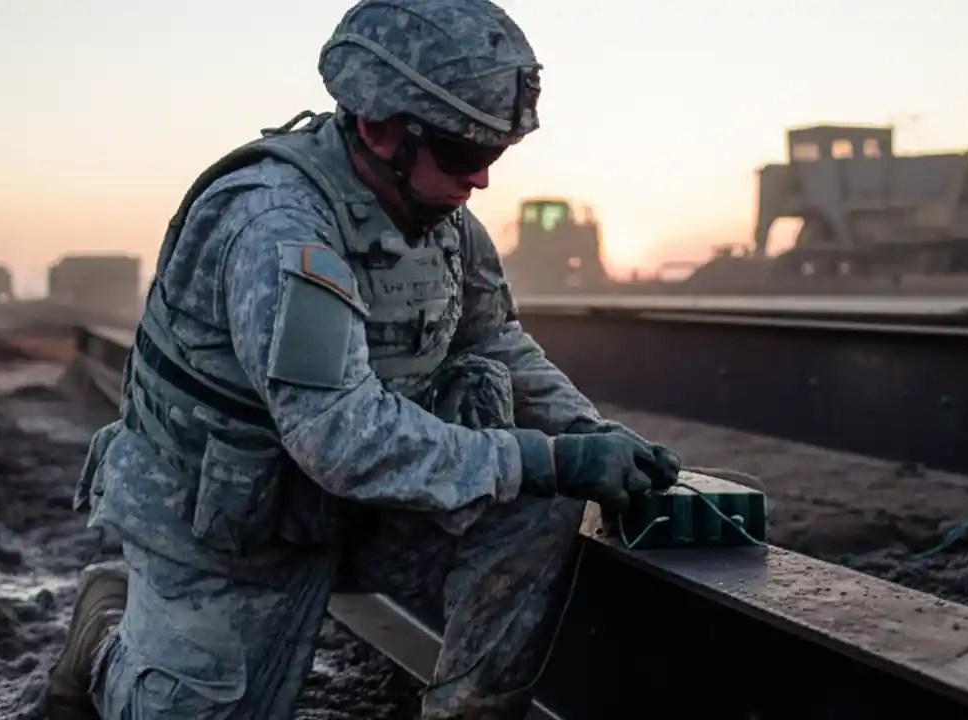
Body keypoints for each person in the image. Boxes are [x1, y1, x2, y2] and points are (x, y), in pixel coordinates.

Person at [43, 1, 681, 718]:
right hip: (227, 527)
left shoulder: (440, 223)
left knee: (541, 508)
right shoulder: (277, 227)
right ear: (381, 131)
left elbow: (491, 339)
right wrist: (548, 458)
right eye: (467, 154)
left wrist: (583, 431)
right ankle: (105, 640)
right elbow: (339, 435)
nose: (481, 183)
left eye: (495, 155)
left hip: (359, 509)